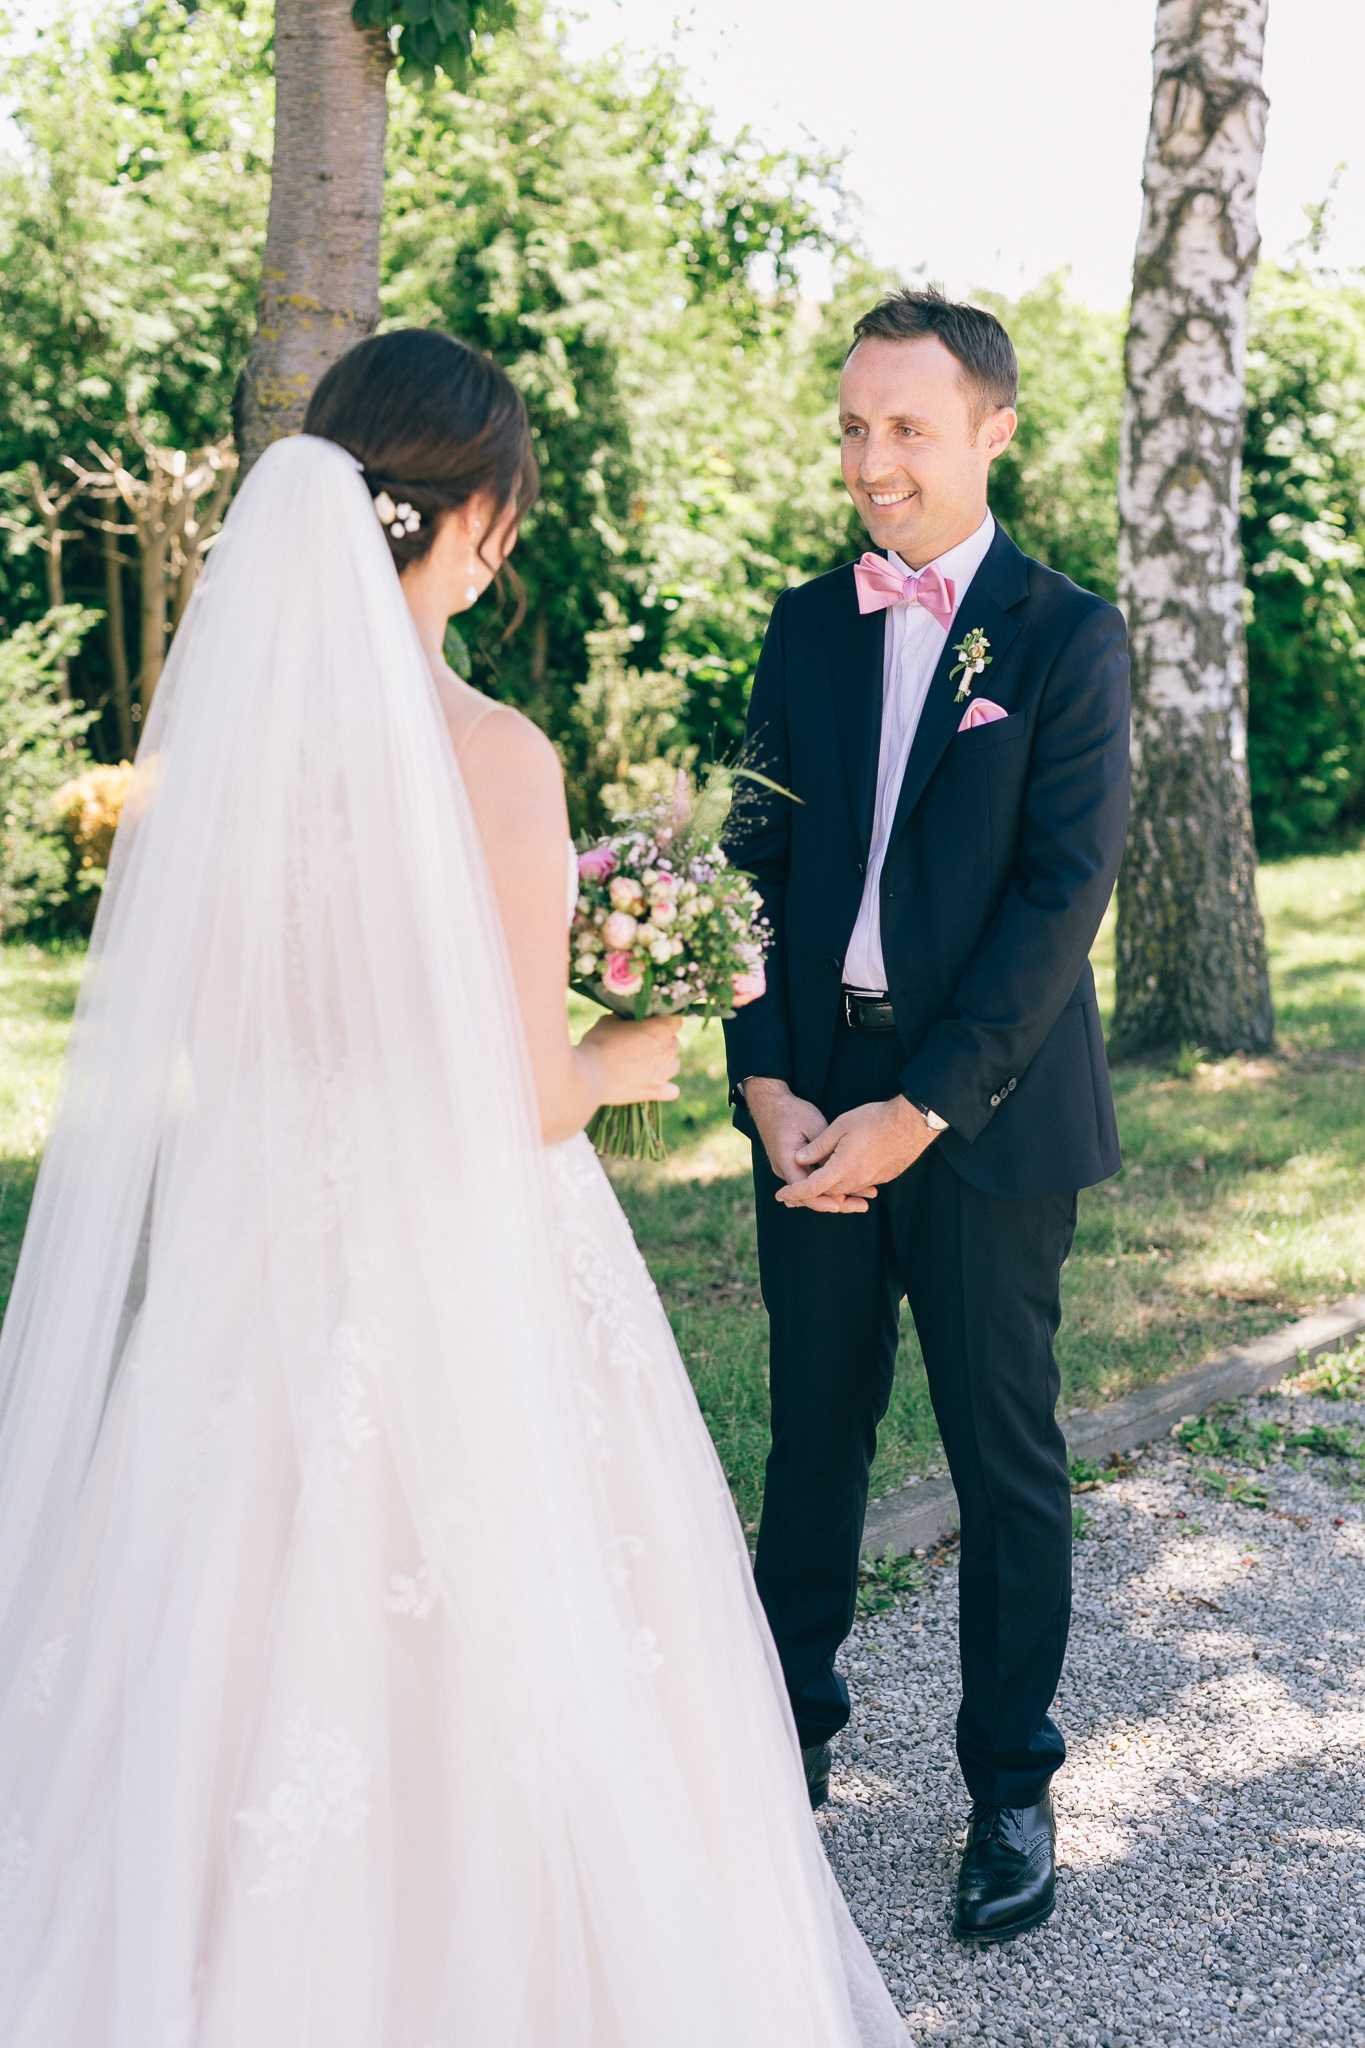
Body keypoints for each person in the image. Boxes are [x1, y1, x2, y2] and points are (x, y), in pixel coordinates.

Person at [0, 330, 905, 2045]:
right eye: (512, 505)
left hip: (259, 1257)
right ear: (471, 515)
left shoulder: (221, 761)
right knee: (514, 1619)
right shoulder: (491, 752)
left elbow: (231, 1037)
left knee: (232, 1611)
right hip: (456, 1258)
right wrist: (630, 1051)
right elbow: (521, 1098)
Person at [723, 288, 1130, 1943]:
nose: (869, 460)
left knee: (1000, 1451)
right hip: (811, 1099)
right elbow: (750, 861)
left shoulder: (1065, 635)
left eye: (904, 427)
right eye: (851, 426)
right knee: (809, 1432)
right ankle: (780, 1746)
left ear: (991, 433)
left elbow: (1058, 903)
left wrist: (921, 1110)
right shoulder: (803, 624)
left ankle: (1010, 1788)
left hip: (984, 1114)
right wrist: (762, 1076)